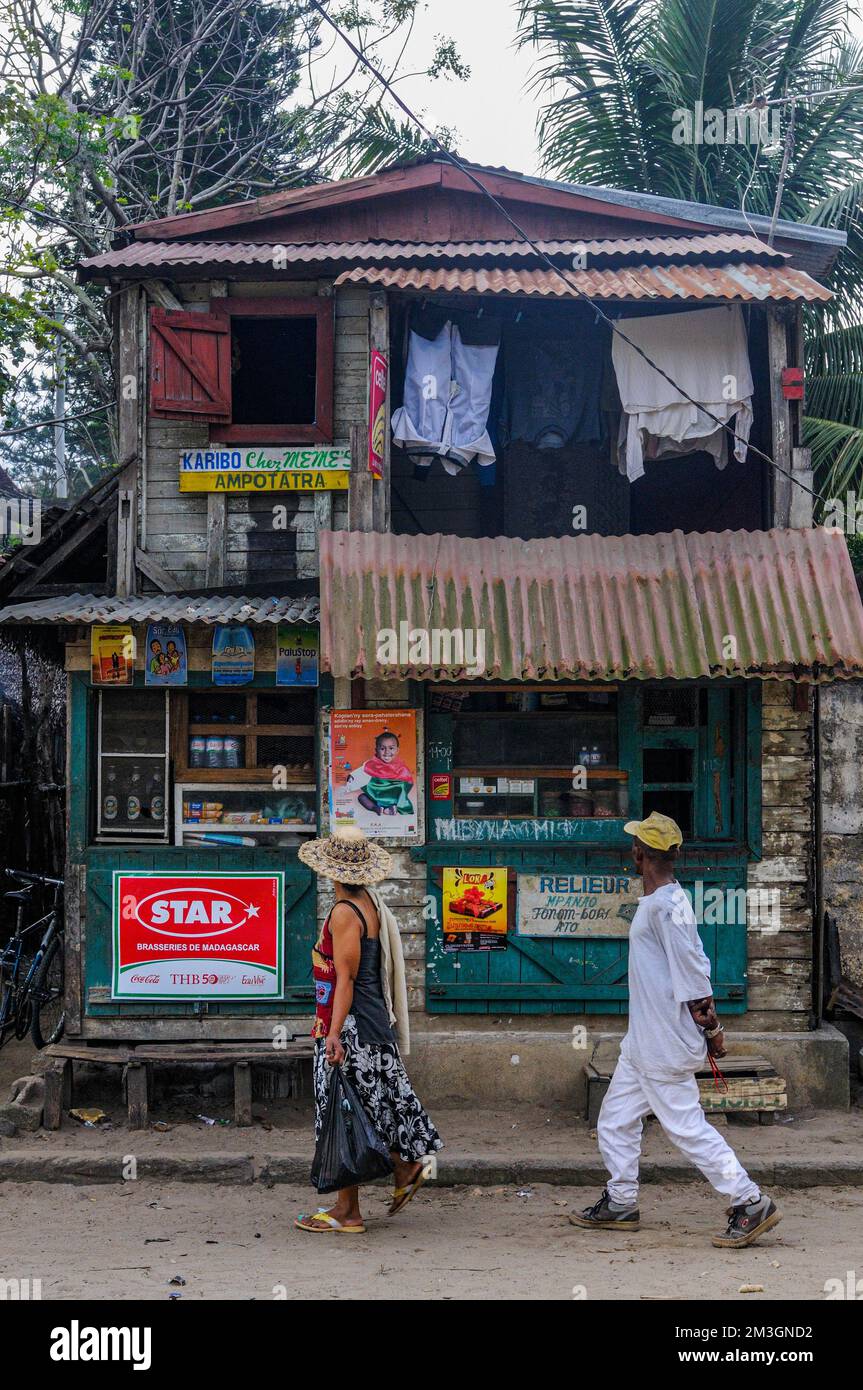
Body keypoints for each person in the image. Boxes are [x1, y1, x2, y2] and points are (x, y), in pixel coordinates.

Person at [571, 812, 781, 1249]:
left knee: (686, 1128)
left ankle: (750, 1200)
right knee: (614, 1120)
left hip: (663, 1044)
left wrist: (714, 1028)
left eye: (634, 846)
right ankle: (621, 1201)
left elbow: (692, 972)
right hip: (643, 1043)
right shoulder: (665, 902)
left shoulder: (666, 907)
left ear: (639, 853)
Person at [295, 826, 442, 1234]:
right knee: (367, 1108)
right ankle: (400, 1169)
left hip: (354, 1026)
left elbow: (346, 979)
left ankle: (351, 1209)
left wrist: (333, 1033)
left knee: (345, 1112)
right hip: (371, 1022)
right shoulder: (368, 904)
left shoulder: (345, 912)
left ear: (331, 871)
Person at [347, 729, 415, 817]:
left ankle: (392, 807)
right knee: (362, 797)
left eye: (391, 748)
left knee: (400, 791)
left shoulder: (401, 767)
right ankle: (377, 808)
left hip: (393, 798)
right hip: (375, 796)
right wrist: (352, 776)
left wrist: (398, 789)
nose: (387, 752)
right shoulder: (372, 764)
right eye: (382, 748)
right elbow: (362, 771)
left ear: (397, 750)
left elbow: (408, 783)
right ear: (376, 750)